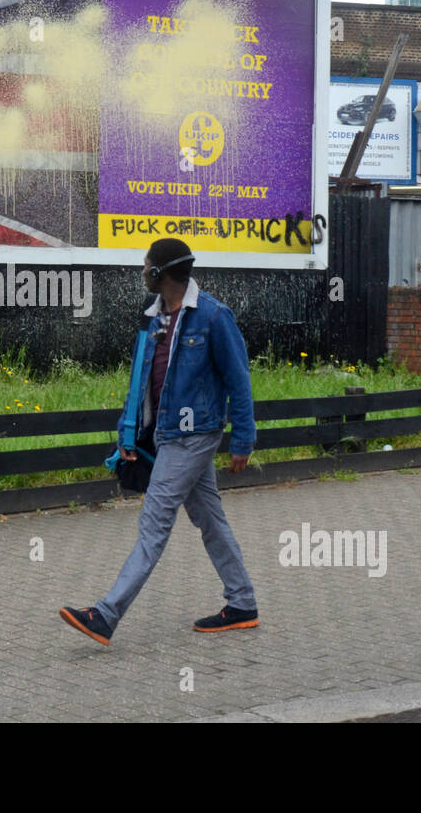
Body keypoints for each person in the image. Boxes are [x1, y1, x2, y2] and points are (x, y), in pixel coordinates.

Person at [59, 238, 259, 645]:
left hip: (195, 435)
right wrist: (128, 435)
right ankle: (242, 604)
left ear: (160, 273)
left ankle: (107, 614)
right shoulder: (154, 318)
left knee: (154, 523)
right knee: (210, 522)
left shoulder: (214, 317)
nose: (141, 272)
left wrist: (243, 438)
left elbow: (239, 381)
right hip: (168, 434)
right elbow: (143, 384)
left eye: (145, 266)